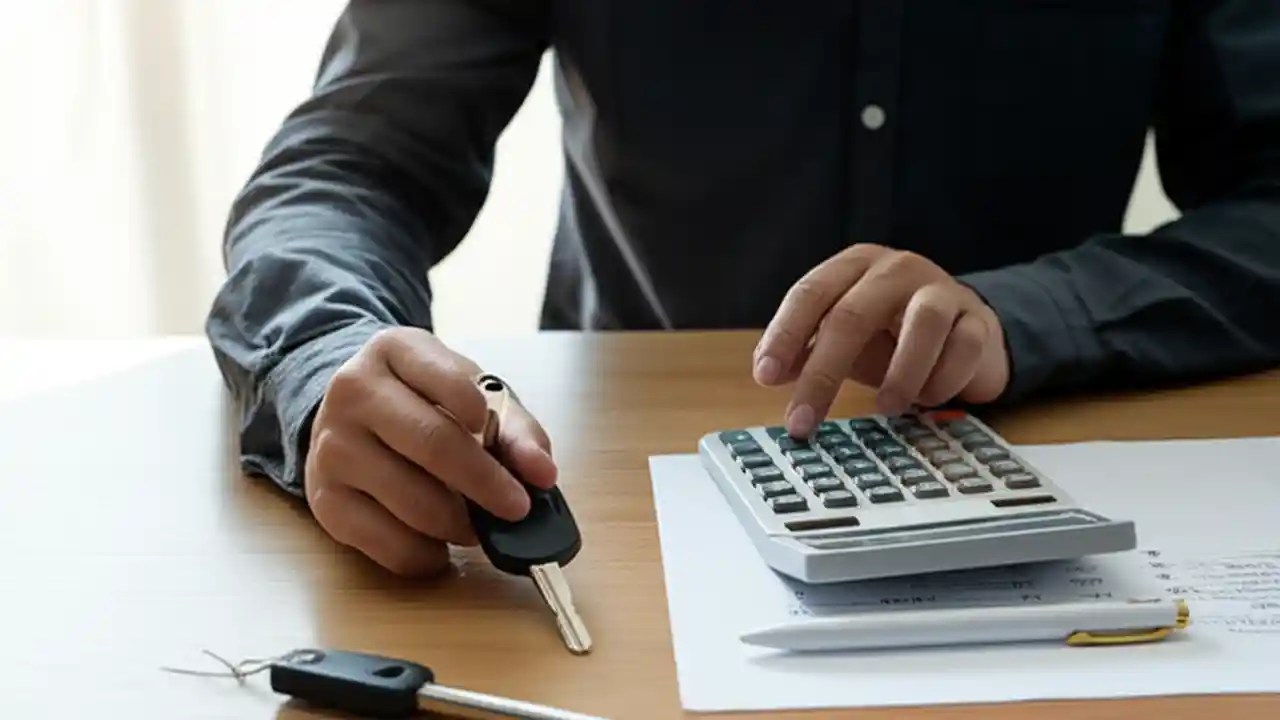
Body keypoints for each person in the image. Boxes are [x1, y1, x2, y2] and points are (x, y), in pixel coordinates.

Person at [206, 1, 1280, 576]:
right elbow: (345, 169)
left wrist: (1029, 312)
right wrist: (320, 359)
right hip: (621, 519)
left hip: (1063, 482)